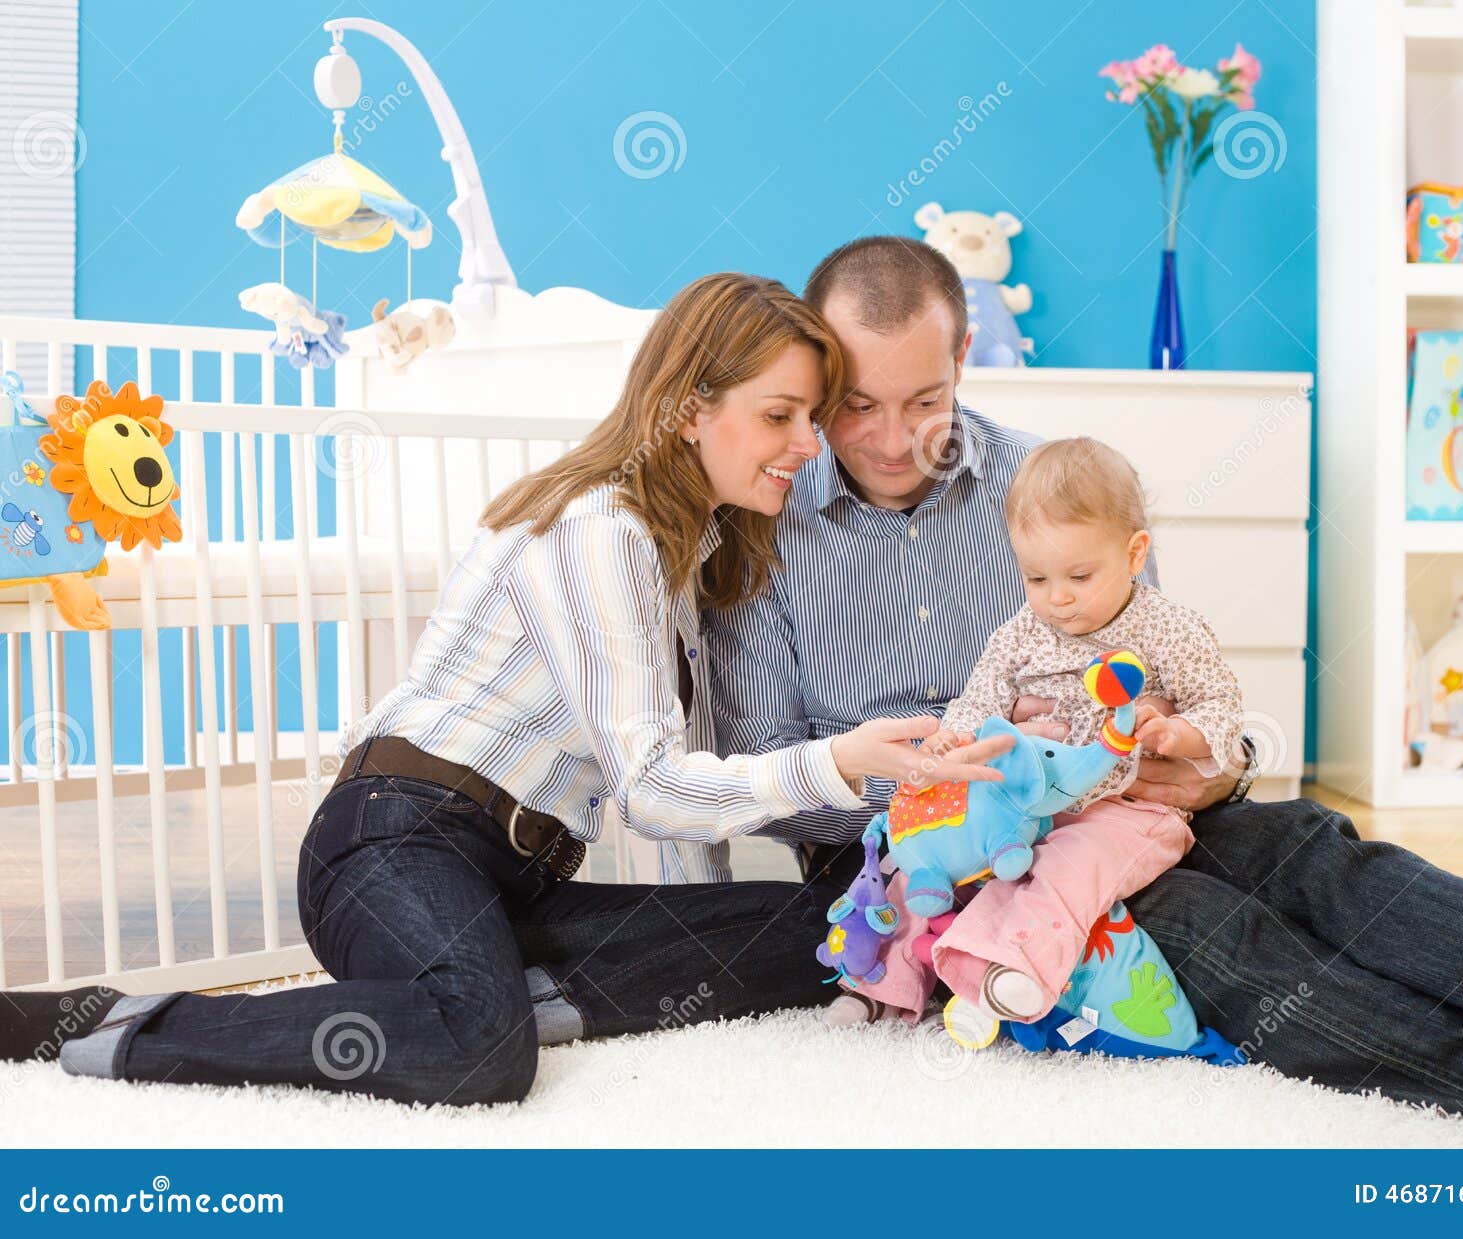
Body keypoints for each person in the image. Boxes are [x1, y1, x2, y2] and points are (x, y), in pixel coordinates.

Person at [0, 272, 1012, 1106]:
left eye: (810, 417)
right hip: (394, 842)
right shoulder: (600, 528)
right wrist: (839, 763)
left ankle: (491, 988)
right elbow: (653, 789)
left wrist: (695, 924)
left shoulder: (693, 547)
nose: (809, 444)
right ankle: (107, 1023)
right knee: (483, 1054)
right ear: (688, 409)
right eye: (780, 416)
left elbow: (688, 785)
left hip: (518, 877)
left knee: (826, 932)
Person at [702, 237, 1463, 1146]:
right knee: (1213, 931)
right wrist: (986, 779)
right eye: (858, 405)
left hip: (1118, 806)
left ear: (964, 356)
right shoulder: (765, 524)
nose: (895, 440)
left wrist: (1212, 766)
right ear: (823, 374)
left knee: (1307, 845)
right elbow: (762, 778)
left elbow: (1176, 684)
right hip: (933, 868)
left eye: (925, 401)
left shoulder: (1059, 487)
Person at [832, 436, 1244, 1049]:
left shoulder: (1168, 629)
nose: (1058, 597)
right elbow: (979, 698)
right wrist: (953, 739)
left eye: (1079, 575)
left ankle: (1009, 971)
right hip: (1029, 804)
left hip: (1129, 810)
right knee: (923, 861)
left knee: (1066, 872)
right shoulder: (1021, 633)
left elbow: (1222, 704)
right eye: (1036, 577)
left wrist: (1180, 734)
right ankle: (878, 983)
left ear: (1134, 554)